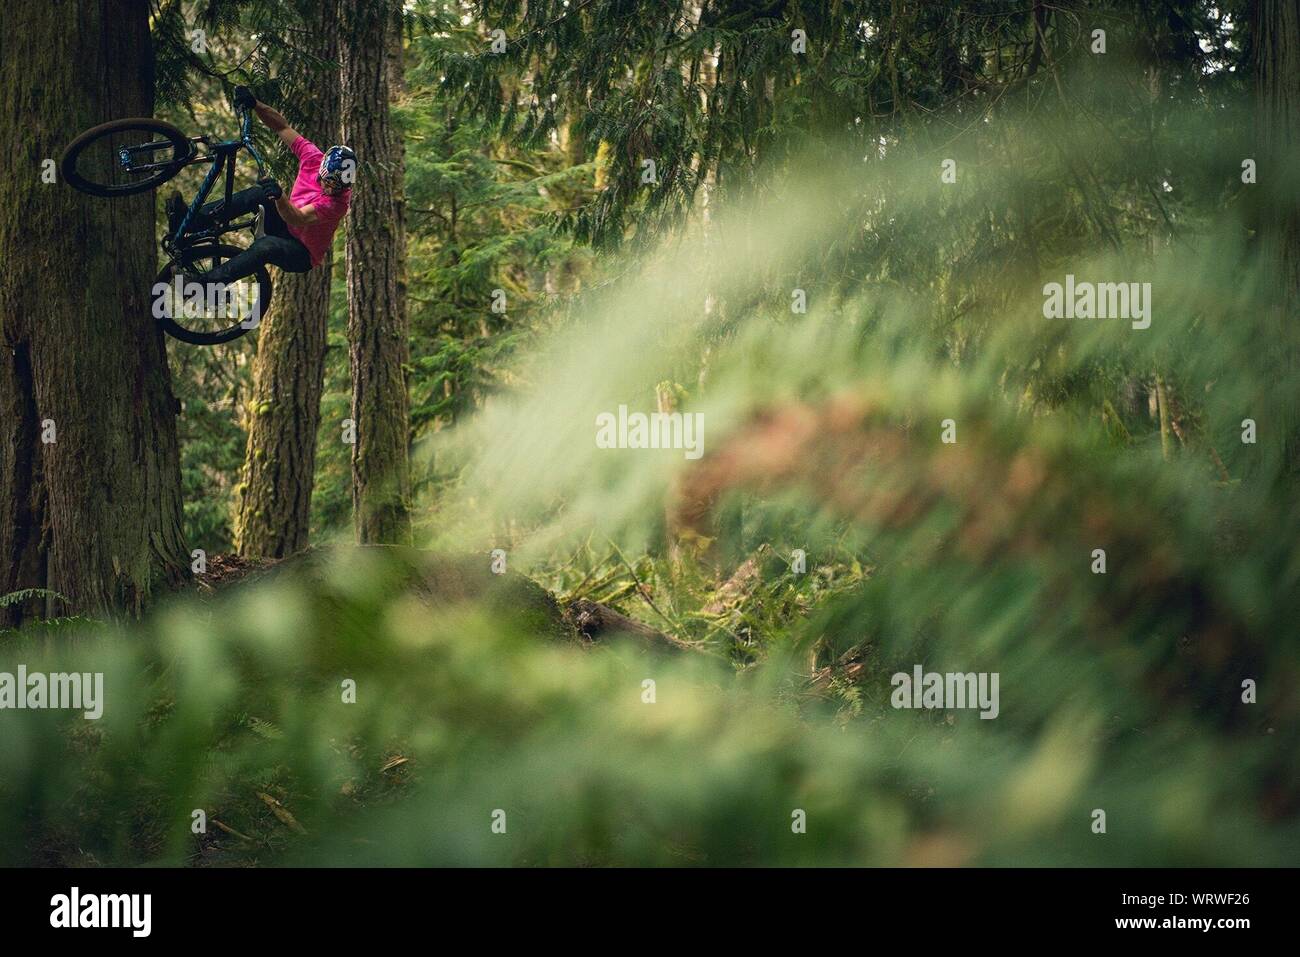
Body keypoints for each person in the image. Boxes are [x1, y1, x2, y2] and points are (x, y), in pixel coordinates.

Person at [167, 86, 354, 287]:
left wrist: (280, 196)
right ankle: (192, 222)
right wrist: (255, 104)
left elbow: (297, 218)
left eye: (338, 187)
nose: (331, 189)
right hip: (284, 224)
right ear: (322, 169)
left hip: (301, 252)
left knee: (266, 247)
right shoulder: (313, 158)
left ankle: (203, 285)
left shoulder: (338, 203)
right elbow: (282, 127)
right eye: (329, 182)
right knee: (257, 194)